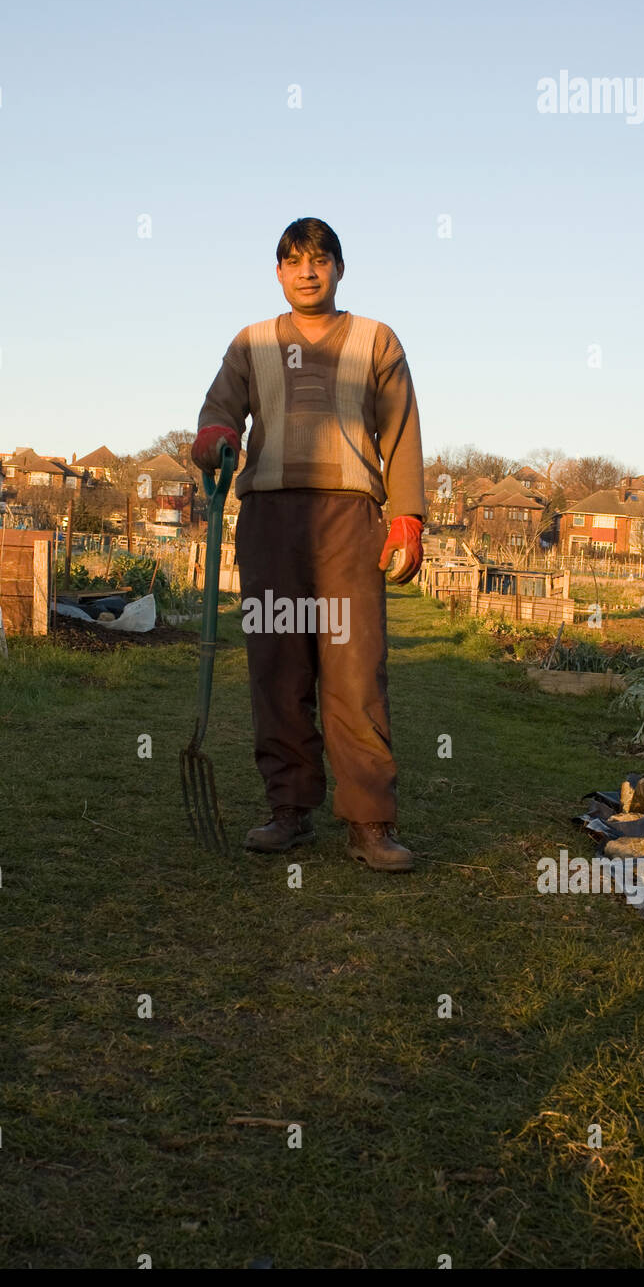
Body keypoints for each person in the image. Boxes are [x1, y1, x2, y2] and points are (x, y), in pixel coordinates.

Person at [192, 218, 425, 872]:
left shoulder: (377, 340)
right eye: (293, 261)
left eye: (319, 260)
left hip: (350, 520)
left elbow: (401, 429)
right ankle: (288, 810)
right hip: (269, 519)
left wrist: (407, 515)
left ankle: (370, 822)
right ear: (278, 273)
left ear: (339, 270)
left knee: (354, 672)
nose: (307, 271)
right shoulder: (252, 342)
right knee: (277, 667)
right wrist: (214, 439)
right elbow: (219, 409)